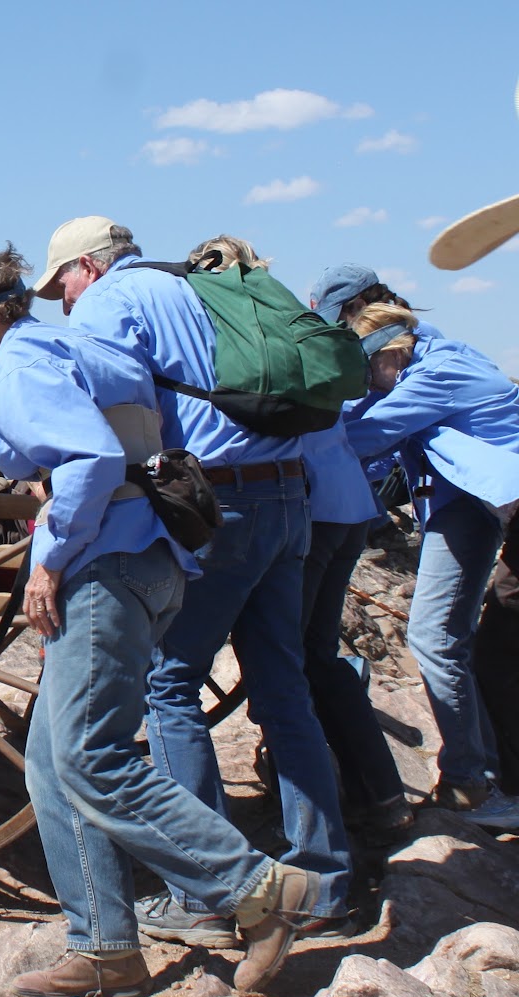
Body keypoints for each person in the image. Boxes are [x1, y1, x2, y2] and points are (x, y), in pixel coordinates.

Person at [0, 241, 319, 997]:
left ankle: (257, 889)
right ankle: (105, 947)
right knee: (52, 764)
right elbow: (100, 444)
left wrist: (48, 562)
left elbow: (89, 461)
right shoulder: (82, 348)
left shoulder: (19, 363)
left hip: (101, 565)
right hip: (153, 556)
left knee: (89, 756)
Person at [36, 217, 351, 946]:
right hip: (288, 496)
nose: (64, 302)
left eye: (63, 285)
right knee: (284, 687)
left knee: (168, 685)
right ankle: (325, 883)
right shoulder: (207, 286)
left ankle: (204, 898)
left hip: (218, 506)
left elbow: (105, 415)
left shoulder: (113, 300)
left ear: (89, 267)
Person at [196, 241, 413, 847]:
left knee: (289, 662)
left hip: (310, 508)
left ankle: (335, 807)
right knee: (313, 656)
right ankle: (375, 798)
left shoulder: (252, 334)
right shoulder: (299, 330)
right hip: (343, 506)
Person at [345, 303, 519, 828]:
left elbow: (369, 435)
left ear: (393, 353)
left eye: (366, 367)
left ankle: (475, 784)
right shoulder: (425, 366)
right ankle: (485, 777)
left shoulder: (438, 374)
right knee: (471, 647)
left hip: (481, 508)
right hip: (473, 507)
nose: (366, 381)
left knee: (445, 641)